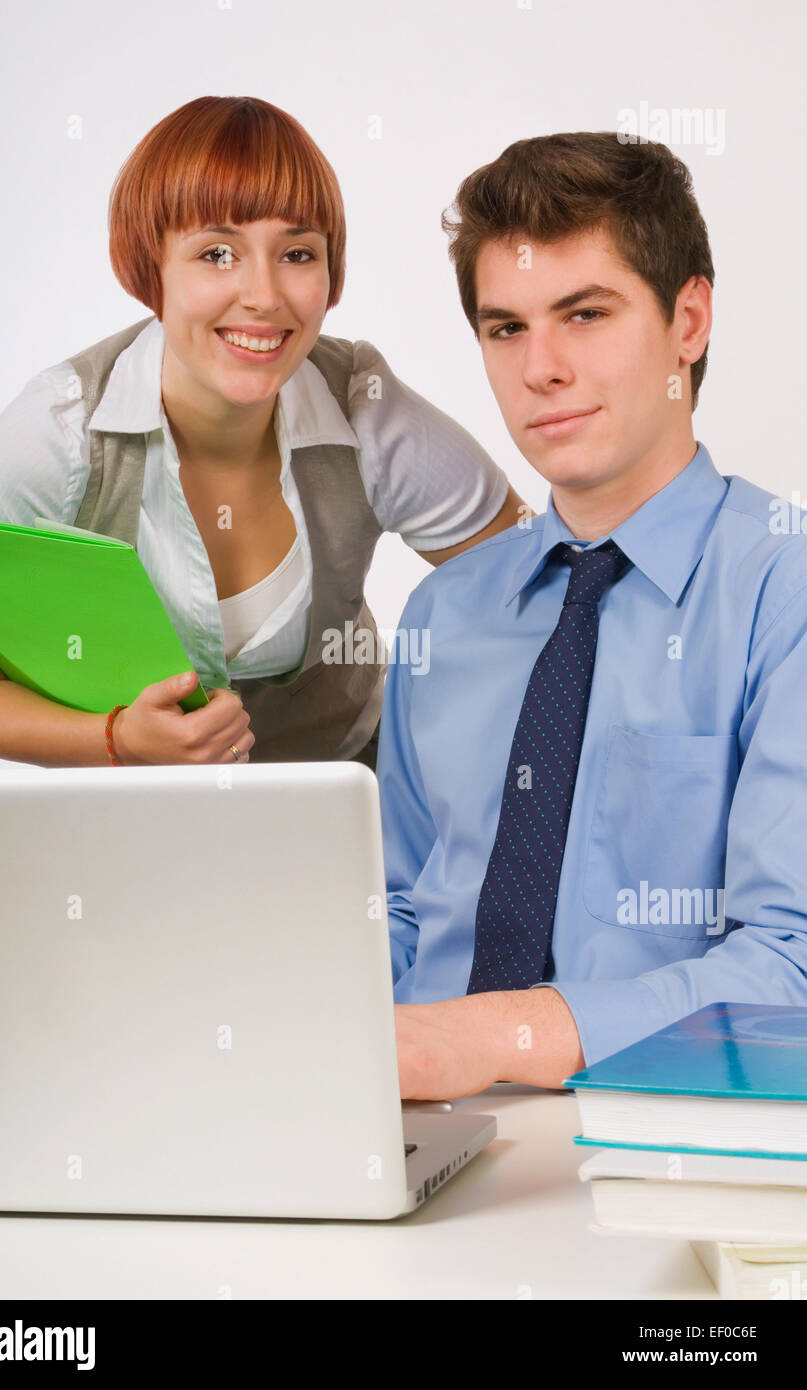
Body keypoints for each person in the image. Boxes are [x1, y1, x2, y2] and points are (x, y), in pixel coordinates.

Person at [377, 131, 807, 1099]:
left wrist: (495, 1036)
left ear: (686, 320)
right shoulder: (439, 614)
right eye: (504, 328)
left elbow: (794, 973)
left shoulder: (784, 589)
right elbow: (400, 910)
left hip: (656, 1134)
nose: (540, 368)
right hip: (405, 1125)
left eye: (583, 314)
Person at [0, 95, 528, 769]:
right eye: (217, 252)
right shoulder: (61, 428)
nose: (263, 295)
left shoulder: (362, 405)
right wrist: (117, 740)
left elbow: (535, 585)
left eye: (298, 253)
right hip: (134, 823)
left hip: (349, 799)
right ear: (148, 266)